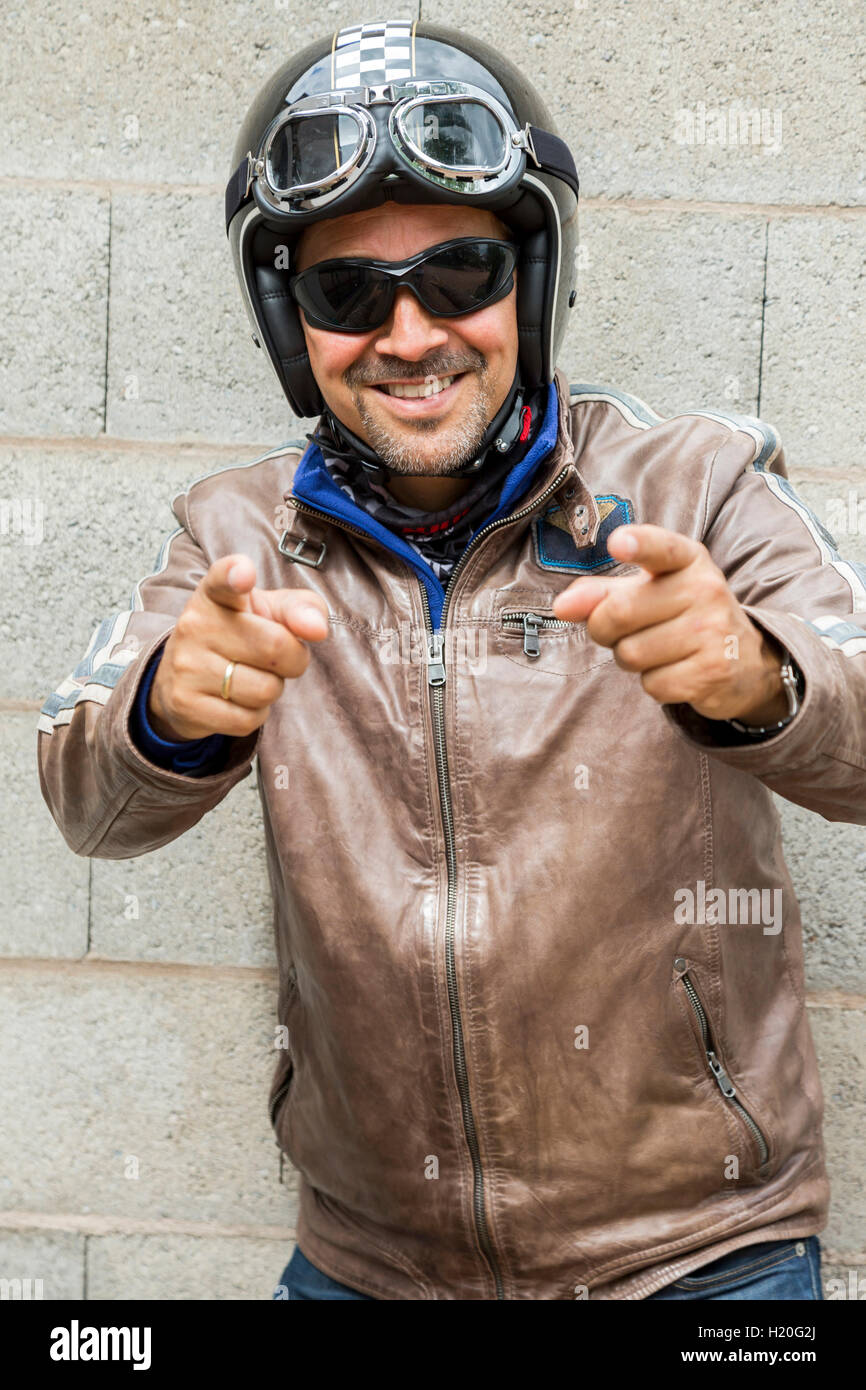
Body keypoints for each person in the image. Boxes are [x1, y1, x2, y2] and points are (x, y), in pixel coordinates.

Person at [37, 19, 864, 1302]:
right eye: (346, 294)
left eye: (460, 272)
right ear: (287, 320)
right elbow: (87, 802)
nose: (410, 333)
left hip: (700, 1261)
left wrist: (759, 680)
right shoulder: (237, 534)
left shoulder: (693, 484)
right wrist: (161, 715)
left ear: (531, 280)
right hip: (369, 1263)